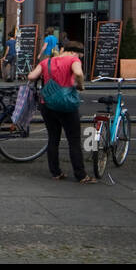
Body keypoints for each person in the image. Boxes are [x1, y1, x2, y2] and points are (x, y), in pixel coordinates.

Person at [28, 41, 92, 182]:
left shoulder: (47, 61)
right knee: (73, 140)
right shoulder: (73, 60)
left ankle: (56, 172)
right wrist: (80, 85)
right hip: (66, 105)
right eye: (80, 55)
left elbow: (31, 76)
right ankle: (81, 175)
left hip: (47, 104)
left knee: (53, 138)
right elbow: (78, 73)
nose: (79, 58)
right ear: (75, 52)